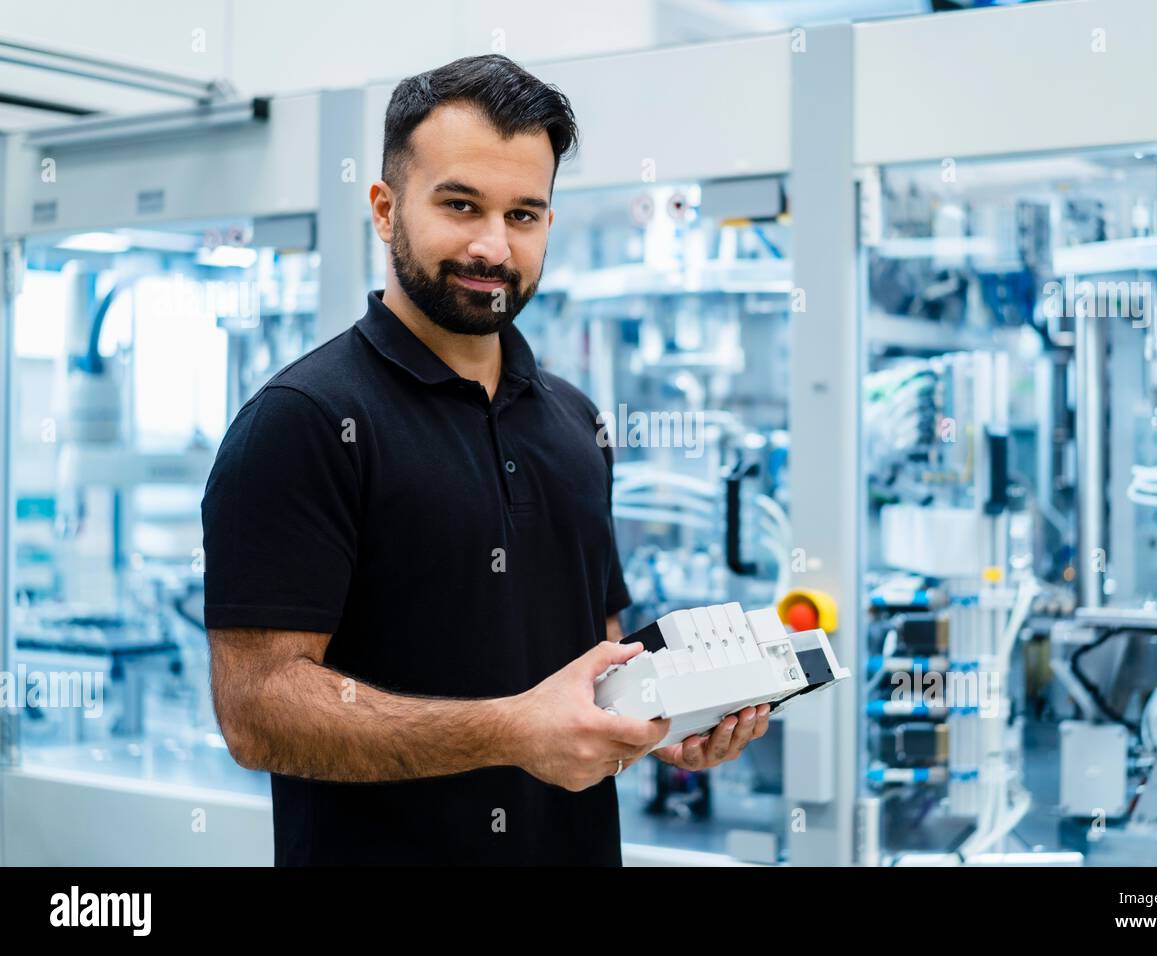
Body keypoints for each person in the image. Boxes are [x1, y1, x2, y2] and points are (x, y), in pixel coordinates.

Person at [200, 53, 769, 865]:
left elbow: (594, 656)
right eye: (460, 205)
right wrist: (512, 731)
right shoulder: (304, 422)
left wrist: (666, 720)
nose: (492, 247)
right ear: (385, 210)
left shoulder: (575, 421)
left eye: (525, 215)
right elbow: (257, 713)